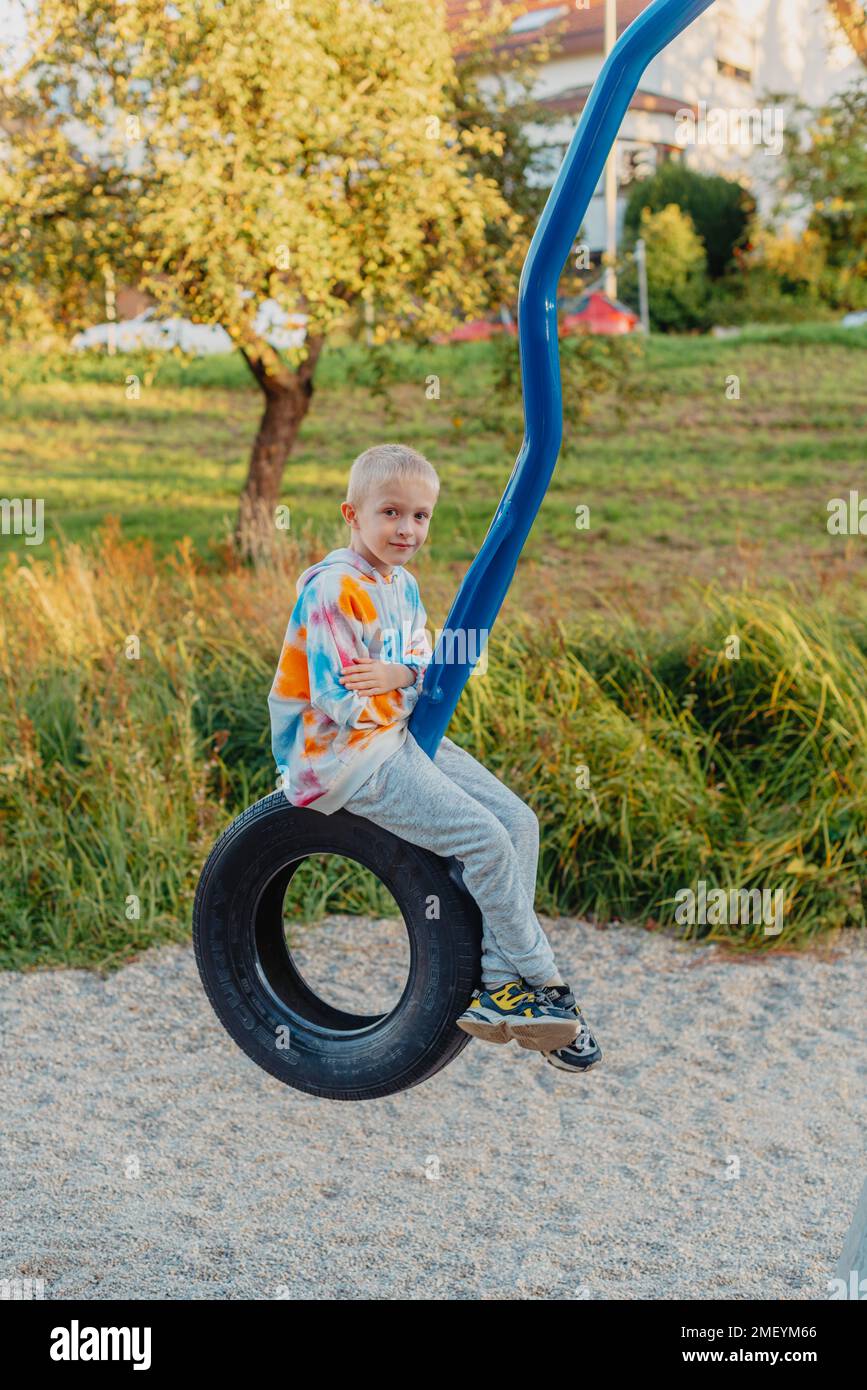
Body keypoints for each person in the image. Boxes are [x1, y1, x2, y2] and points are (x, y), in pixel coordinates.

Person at [268, 442, 601, 1073]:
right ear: (352, 514)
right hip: (344, 759)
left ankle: (502, 985)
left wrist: (398, 673)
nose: (406, 529)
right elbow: (343, 701)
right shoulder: (334, 592)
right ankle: (545, 981)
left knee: (518, 823)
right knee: (483, 839)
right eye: (390, 513)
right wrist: (408, 678)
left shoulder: (404, 587)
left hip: (395, 733)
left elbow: (424, 667)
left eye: (420, 517)